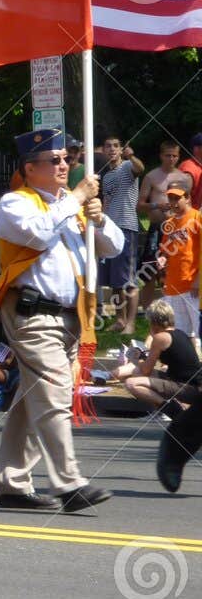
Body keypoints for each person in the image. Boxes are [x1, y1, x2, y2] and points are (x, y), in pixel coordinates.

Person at [0, 126, 121, 514]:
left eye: (68, 158)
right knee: (55, 394)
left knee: (32, 401)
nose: (65, 164)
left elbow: (115, 247)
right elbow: (39, 234)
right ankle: (69, 482)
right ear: (31, 168)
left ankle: (13, 483)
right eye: (55, 159)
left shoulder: (74, 205)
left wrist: (98, 216)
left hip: (69, 318)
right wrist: (77, 199)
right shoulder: (17, 203)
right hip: (32, 314)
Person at [112, 301, 200, 417]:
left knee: (131, 384)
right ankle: (161, 411)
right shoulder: (179, 333)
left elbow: (146, 371)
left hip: (189, 388)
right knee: (136, 372)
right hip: (187, 382)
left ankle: (174, 411)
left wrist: (134, 359)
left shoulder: (160, 338)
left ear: (153, 322)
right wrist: (142, 357)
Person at [95, 135, 144, 334]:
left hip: (127, 227)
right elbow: (106, 203)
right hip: (110, 230)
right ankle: (120, 320)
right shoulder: (106, 176)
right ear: (104, 150)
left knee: (129, 281)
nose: (112, 149)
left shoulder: (127, 167)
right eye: (108, 146)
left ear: (121, 148)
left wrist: (132, 157)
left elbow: (140, 169)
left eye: (116, 145)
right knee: (115, 282)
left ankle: (131, 324)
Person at [139, 141, 186, 292]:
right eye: (168, 155)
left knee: (174, 266)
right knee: (149, 269)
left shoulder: (183, 178)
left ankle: (173, 301)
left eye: (174, 156)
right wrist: (157, 206)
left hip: (176, 229)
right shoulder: (151, 176)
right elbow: (139, 205)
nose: (171, 159)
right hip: (157, 227)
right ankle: (149, 309)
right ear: (161, 156)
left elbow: (189, 204)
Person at [156, 182, 201, 340]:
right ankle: (190, 364)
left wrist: (198, 280)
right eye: (171, 198)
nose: (173, 203)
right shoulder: (170, 223)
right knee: (181, 334)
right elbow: (165, 250)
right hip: (174, 285)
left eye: (177, 198)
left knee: (199, 330)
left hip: (193, 286)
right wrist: (162, 258)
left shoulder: (197, 218)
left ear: (187, 198)